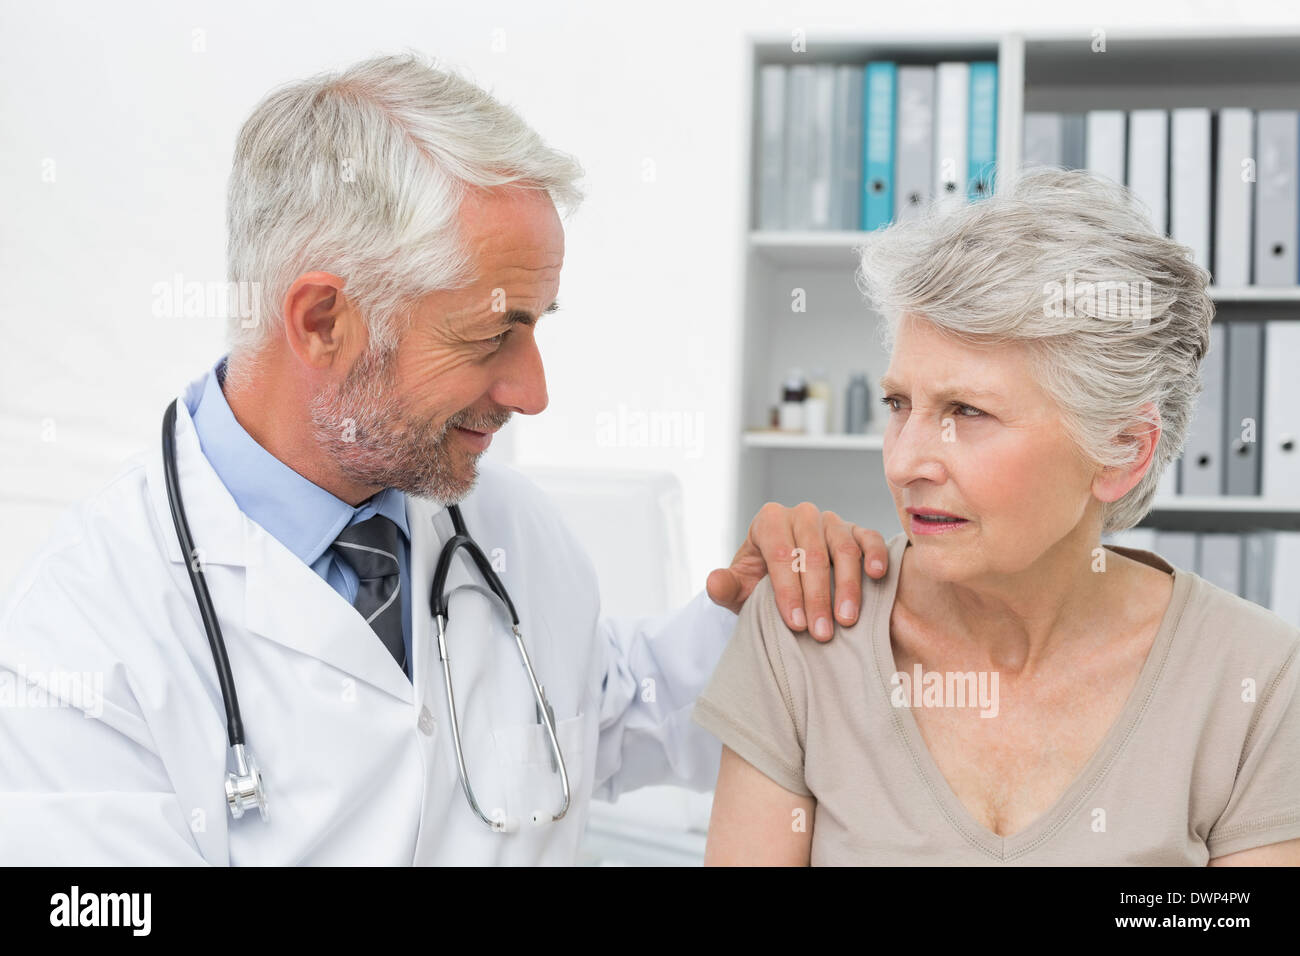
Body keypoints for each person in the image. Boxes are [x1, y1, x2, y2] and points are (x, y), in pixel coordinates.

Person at [0, 53, 896, 865]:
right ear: (322, 322)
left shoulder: (507, 530)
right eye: (493, 335)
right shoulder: (83, 632)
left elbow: (611, 718)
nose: (532, 389)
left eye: (538, 329)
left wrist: (767, 620)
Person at [693, 167, 1300, 866]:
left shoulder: (1256, 680)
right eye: (899, 405)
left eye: (967, 412)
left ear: (1124, 452)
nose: (904, 462)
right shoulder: (807, 632)